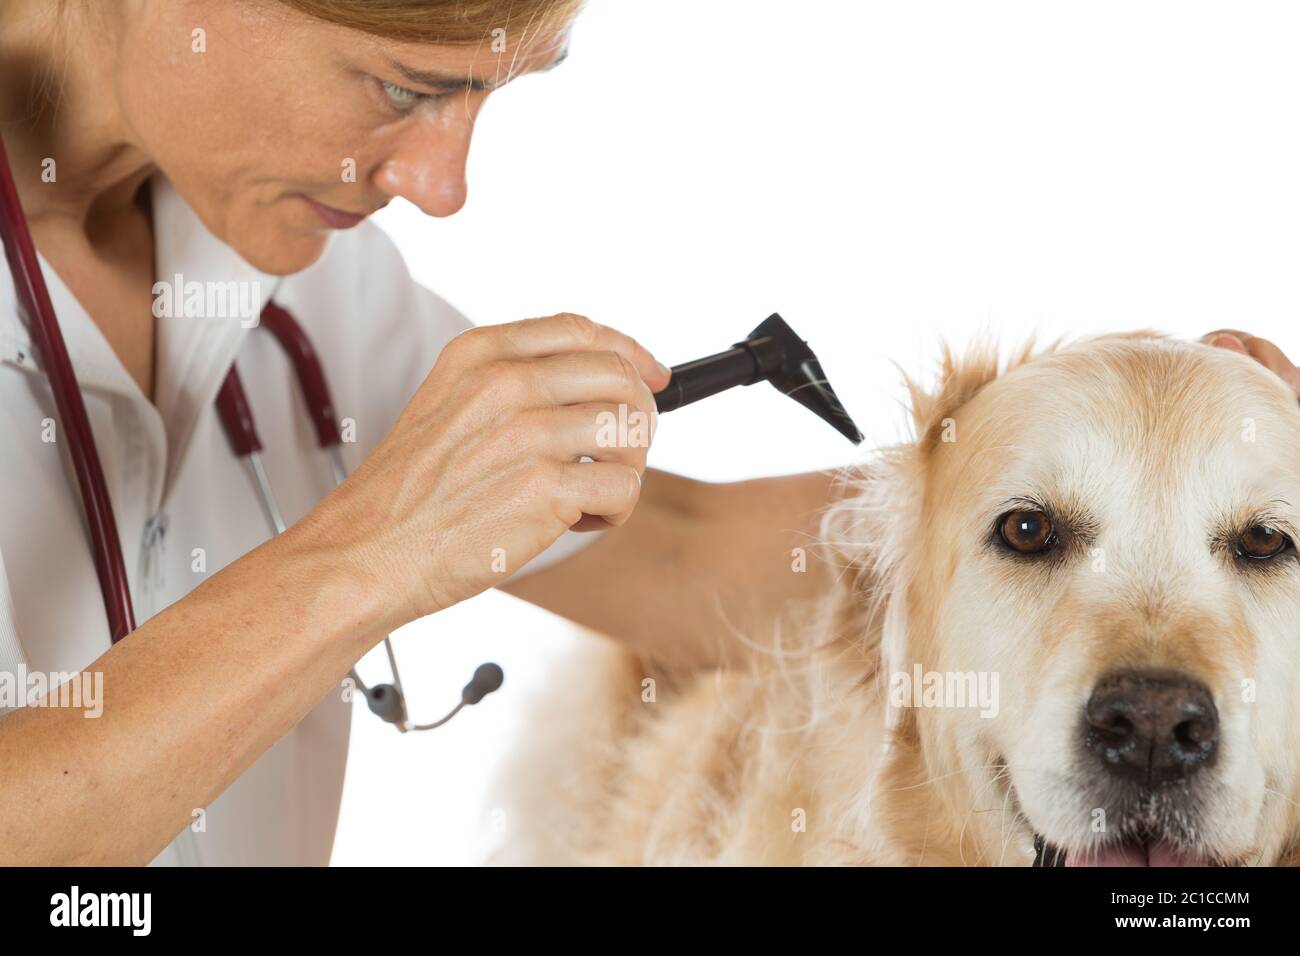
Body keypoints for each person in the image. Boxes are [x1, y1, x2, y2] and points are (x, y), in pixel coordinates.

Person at [1, 0, 1296, 866]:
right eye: (403, 86)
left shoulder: (300, 293)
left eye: (494, 97)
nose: (444, 188)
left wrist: (1110, 480)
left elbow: (683, 559)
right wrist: (369, 555)